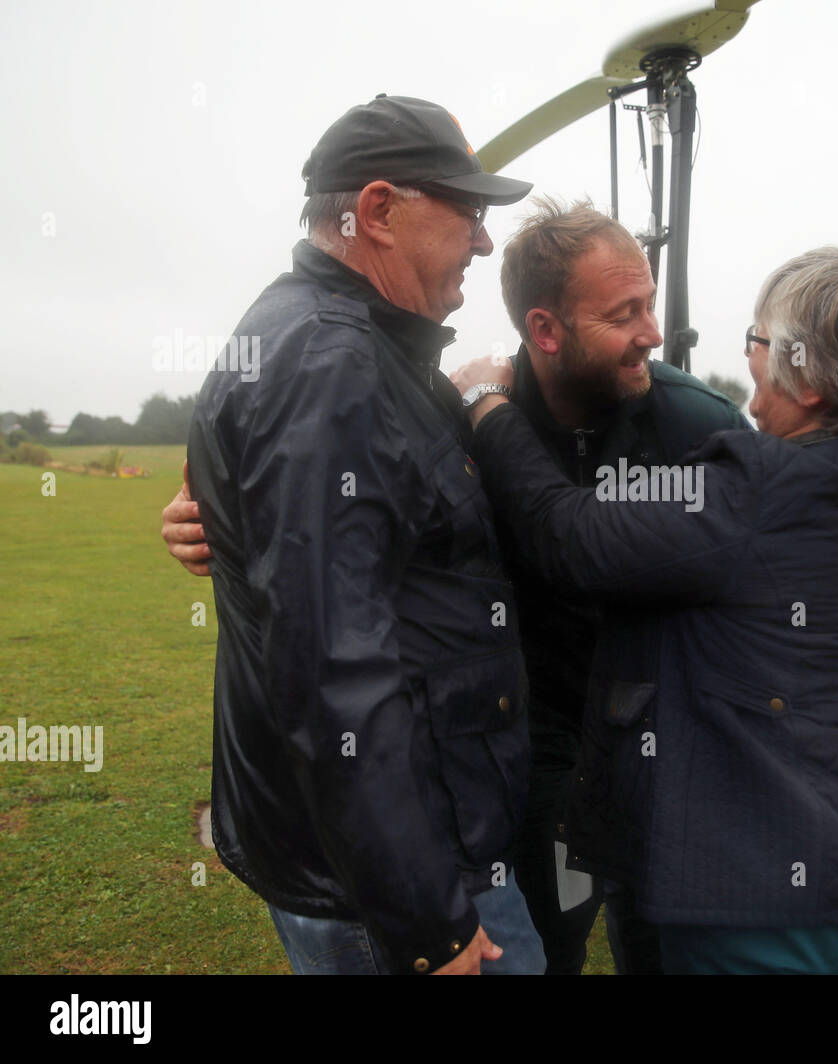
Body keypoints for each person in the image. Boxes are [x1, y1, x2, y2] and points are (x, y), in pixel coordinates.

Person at [164, 204, 838, 973]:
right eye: (624, 313)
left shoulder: (701, 426)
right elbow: (350, 518)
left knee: (652, 932)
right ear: (544, 330)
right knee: (548, 938)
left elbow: (725, 537)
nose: (653, 334)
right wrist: (224, 524)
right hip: (523, 738)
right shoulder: (446, 414)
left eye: (652, 304)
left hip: (685, 765)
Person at [452, 237, 838, 974]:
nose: (749, 360)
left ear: (810, 382)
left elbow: (573, 537)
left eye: (759, 340)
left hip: (755, 880)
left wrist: (484, 405)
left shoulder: (753, 485)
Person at [183, 94, 543, 975]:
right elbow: (332, 666)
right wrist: (430, 922)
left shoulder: (320, 337)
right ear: (378, 212)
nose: (486, 242)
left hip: (361, 850)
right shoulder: (330, 364)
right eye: (469, 211)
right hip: (402, 874)